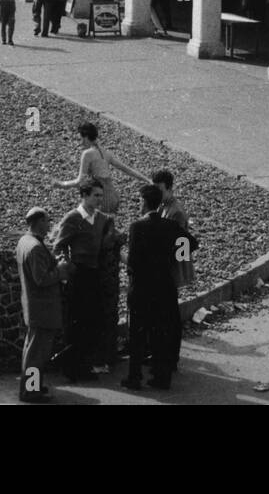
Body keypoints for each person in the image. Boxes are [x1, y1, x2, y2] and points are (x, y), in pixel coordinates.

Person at [120, 184, 188, 391]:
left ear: (144, 202)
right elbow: (190, 243)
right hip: (164, 286)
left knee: (138, 334)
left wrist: (119, 256)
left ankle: (134, 377)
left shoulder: (137, 227)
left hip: (141, 287)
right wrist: (175, 258)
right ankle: (162, 376)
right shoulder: (170, 226)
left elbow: (133, 262)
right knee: (161, 332)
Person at [52, 182, 117, 383]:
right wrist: (68, 265)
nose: (99, 199)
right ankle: (72, 367)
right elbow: (58, 246)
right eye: (96, 195)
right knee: (76, 322)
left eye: (101, 195)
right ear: (84, 195)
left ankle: (85, 364)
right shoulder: (72, 218)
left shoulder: (101, 219)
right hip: (79, 274)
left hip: (94, 273)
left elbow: (109, 238)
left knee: (92, 322)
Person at [16, 207, 67, 403]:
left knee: (32, 349)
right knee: (37, 353)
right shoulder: (35, 247)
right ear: (38, 222)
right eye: (47, 221)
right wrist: (60, 270)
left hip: (34, 306)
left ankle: (32, 385)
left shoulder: (25, 241)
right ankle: (31, 391)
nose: (49, 225)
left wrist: (53, 262)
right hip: (42, 307)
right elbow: (41, 279)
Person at [59, 121, 148, 216]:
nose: (81, 142)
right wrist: (146, 180)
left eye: (80, 138)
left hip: (98, 199)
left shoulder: (87, 154)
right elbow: (127, 169)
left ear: (85, 137)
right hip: (112, 197)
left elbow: (80, 181)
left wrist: (61, 184)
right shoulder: (106, 153)